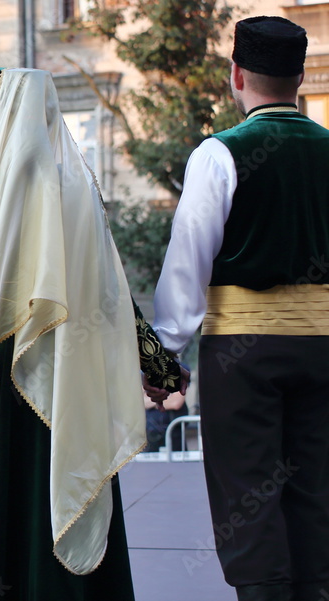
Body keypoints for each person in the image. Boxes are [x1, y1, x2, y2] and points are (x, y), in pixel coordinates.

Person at [0, 68, 180, 601]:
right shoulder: (75, 192)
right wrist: (160, 365)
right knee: (59, 485)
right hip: (67, 373)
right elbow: (112, 297)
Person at [152, 16, 329, 601]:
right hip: (325, 352)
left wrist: (161, 358)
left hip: (242, 355)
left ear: (235, 75)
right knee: (319, 497)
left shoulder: (220, 153)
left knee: (248, 498)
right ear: (300, 77)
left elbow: (188, 263)